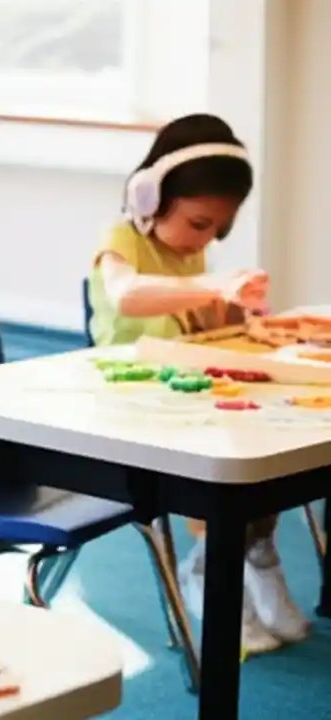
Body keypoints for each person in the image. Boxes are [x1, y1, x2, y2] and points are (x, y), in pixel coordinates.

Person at [88, 112, 309, 652]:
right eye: (198, 223)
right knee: (228, 463)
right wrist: (214, 285)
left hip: (188, 386)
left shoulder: (193, 251)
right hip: (133, 399)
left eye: (218, 228)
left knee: (269, 448)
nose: (206, 238)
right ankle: (209, 571)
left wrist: (245, 317)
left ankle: (258, 557)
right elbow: (128, 294)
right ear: (149, 198)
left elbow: (203, 322)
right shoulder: (121, 241)